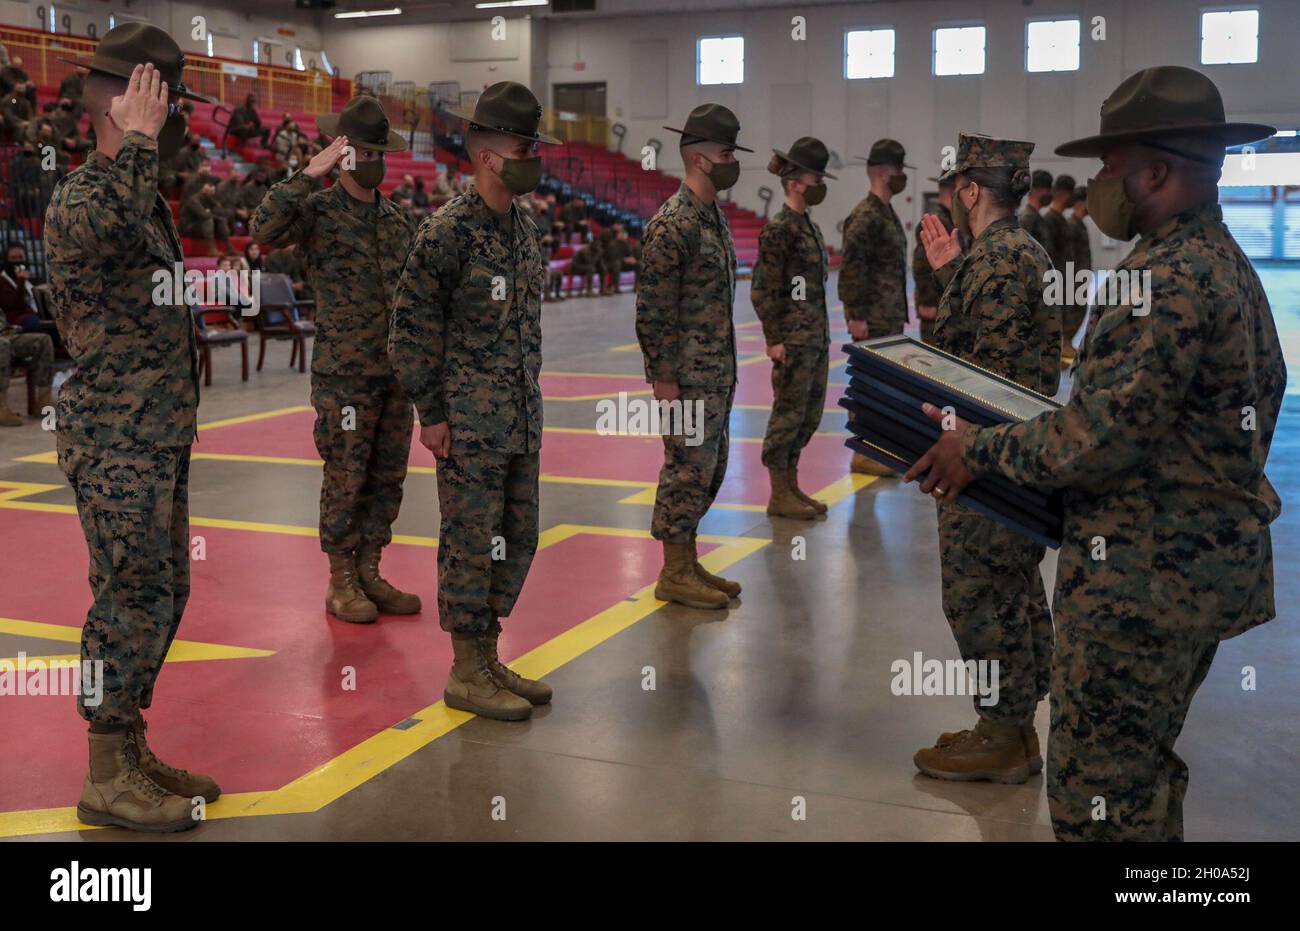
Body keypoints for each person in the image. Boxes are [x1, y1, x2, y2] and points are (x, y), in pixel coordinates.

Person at [904, 66, 1284, 841]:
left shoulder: (1166, 279)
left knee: (1098, 801)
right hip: (1187, 572)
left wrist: (979, 448)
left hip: (1143, 586)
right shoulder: (1227, 266)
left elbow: (1093, 436)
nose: (1100, 180)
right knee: (1141, 773)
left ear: (1156, 170)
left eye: (1112, 165)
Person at [45, 24, 221, 832]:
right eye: (158, 94)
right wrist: (140, 142)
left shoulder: (136, 186)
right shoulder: (86, 194)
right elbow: (110, 231)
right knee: (125, 596)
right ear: (121, 99)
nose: (169, 111)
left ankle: (131, 739)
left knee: (163, 589)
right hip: (113, 436)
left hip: (155, 430)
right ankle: (104, 772)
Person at [389, 81, 559, 721]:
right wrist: (430, 413)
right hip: (468, 424)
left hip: (519, 417)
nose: (533, 156)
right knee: (469, 540)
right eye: (525, 145)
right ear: (489, 154)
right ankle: (465, 669)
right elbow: (408, 330)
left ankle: (487, 655)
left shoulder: (525, 225)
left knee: (517, 537)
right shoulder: (447, 233)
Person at [912, 132, 1061, 784]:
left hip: (986, 459)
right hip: (1014, 454)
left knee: (980, 592)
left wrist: (963, 446)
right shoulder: (1012, 254)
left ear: (970, 189)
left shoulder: (997, 262)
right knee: (1012, 584)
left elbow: (987, 380)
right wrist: (950, 273)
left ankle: (1002, 732)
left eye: (955, 187)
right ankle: (1014, 728)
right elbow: (985, 340)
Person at [251, 94, 420, 625]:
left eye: (380, 151)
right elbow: (263, 230)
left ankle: (370, 567)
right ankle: (341, 579)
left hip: (395, 373)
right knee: (346, 475)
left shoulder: (398, 220)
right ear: (343, 152)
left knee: (387, 476)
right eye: (363, 151)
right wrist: (307, 174)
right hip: (344, 374)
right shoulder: (318, 211)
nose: (374, 160)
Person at [637, 103, 750, 610]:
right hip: (684, 377)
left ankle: (688, 559)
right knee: (685, 468)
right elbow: (653, 309)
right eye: (727, 153)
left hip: (715, 374)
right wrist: (662, 375)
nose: (731, 162)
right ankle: (673, 570)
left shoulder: (712, 219)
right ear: (701, 160)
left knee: (710, 467)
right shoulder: (673, 224)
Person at [752, 136, 834, 521]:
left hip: (815, 337)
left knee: (809, 414)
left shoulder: (809, 227)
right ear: (795, 181)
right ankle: (778, 493)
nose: (820, 184)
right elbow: (764, 288)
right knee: (787, 414)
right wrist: (774, 339)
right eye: (816, 177)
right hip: (793, 341)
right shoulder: (779, 229)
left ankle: (792, 485)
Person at [839, 138, 911, 477]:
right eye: (898, 170)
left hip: (888, 316)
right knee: (867, 385)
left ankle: (873, 448)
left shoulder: (886, 213)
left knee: (883, 386)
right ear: (884, 172)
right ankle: (861, 452)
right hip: (872, 318)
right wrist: (855, 316)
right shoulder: (866, 215)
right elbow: (853, 269)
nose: (901, 176)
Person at [911, 175, 967, 344]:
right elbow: (921, 264)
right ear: (954, 188)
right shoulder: (936, 221)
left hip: (948, 306)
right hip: (935, 307)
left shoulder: (953, 219)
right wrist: (927, 301)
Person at [1019, 170, 1053, 246]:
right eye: (1048, 189)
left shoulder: (1036, 217)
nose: (1051, 193)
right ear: (1036, 189)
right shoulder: (1028, 218)